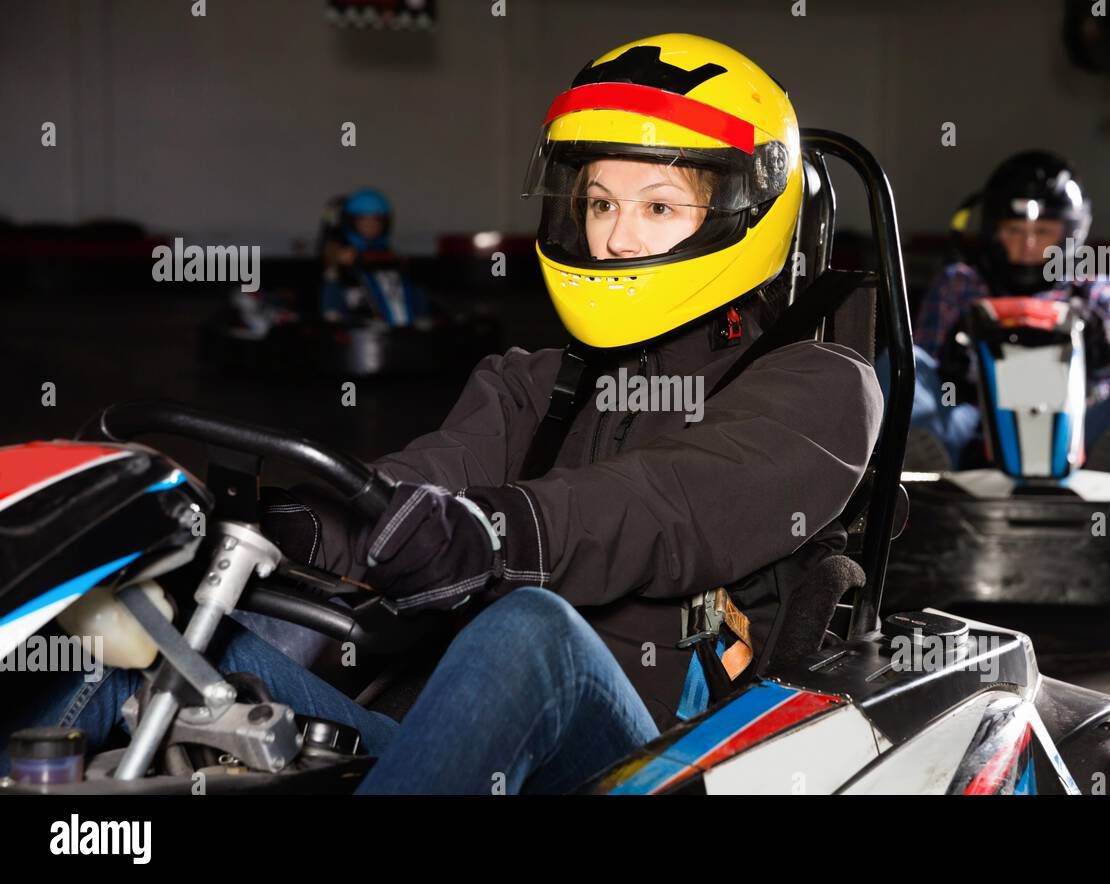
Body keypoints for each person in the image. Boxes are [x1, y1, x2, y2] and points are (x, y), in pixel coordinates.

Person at [1, 34, 881, 793]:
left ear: (749, 215)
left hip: (649, 763)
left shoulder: (822, 388)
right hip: (447, 751)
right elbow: (411, 496)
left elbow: (666, 508)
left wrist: (496, 535)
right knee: (129, 628)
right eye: (602, 204)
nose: (615, 238)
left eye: (658, 208)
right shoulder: (531, 383)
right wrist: (288, 524)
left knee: (530, 627)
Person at [895, 150, 1110, 477]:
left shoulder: (1093, 290)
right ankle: (925, 478)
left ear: (1069, 235)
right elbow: (922, 366)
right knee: (898, 361)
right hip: (972, 428)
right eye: (1014, 230)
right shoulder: (960, 284)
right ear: (993, 232)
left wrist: (1105, 343)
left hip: (1079, 429)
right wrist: (952, 361)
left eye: (1041, 233)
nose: (1026, 245)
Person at [320, 188, 431, 327]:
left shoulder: (395, 260)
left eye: (376, 220)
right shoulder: (340, 261)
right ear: (351, 222)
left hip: (402, 334)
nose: (371, 225)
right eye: (364, 220)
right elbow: (331, 315)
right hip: (360, 337)